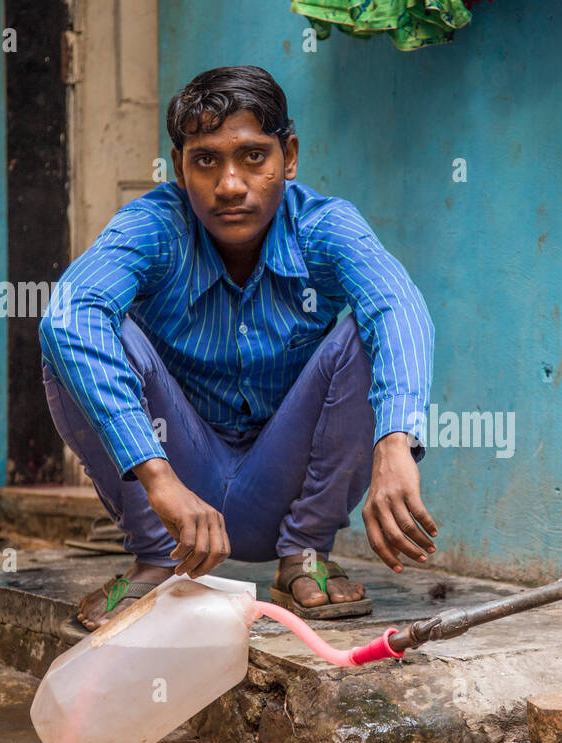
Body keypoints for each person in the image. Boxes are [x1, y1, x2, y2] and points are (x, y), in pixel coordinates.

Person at [39, 65, 437, 630]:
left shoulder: (324, 226)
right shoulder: (154, 227)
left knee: (367, 332)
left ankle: (305, 555)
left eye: (253, 156)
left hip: (285, 486)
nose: (230, 184)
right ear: (179, 167)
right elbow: (69, 314)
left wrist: (395, 442)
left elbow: (399, 306)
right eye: (206, 160)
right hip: (179, 489)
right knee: (75, 330)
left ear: (289, 157)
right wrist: (158, 477)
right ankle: (158, 558)